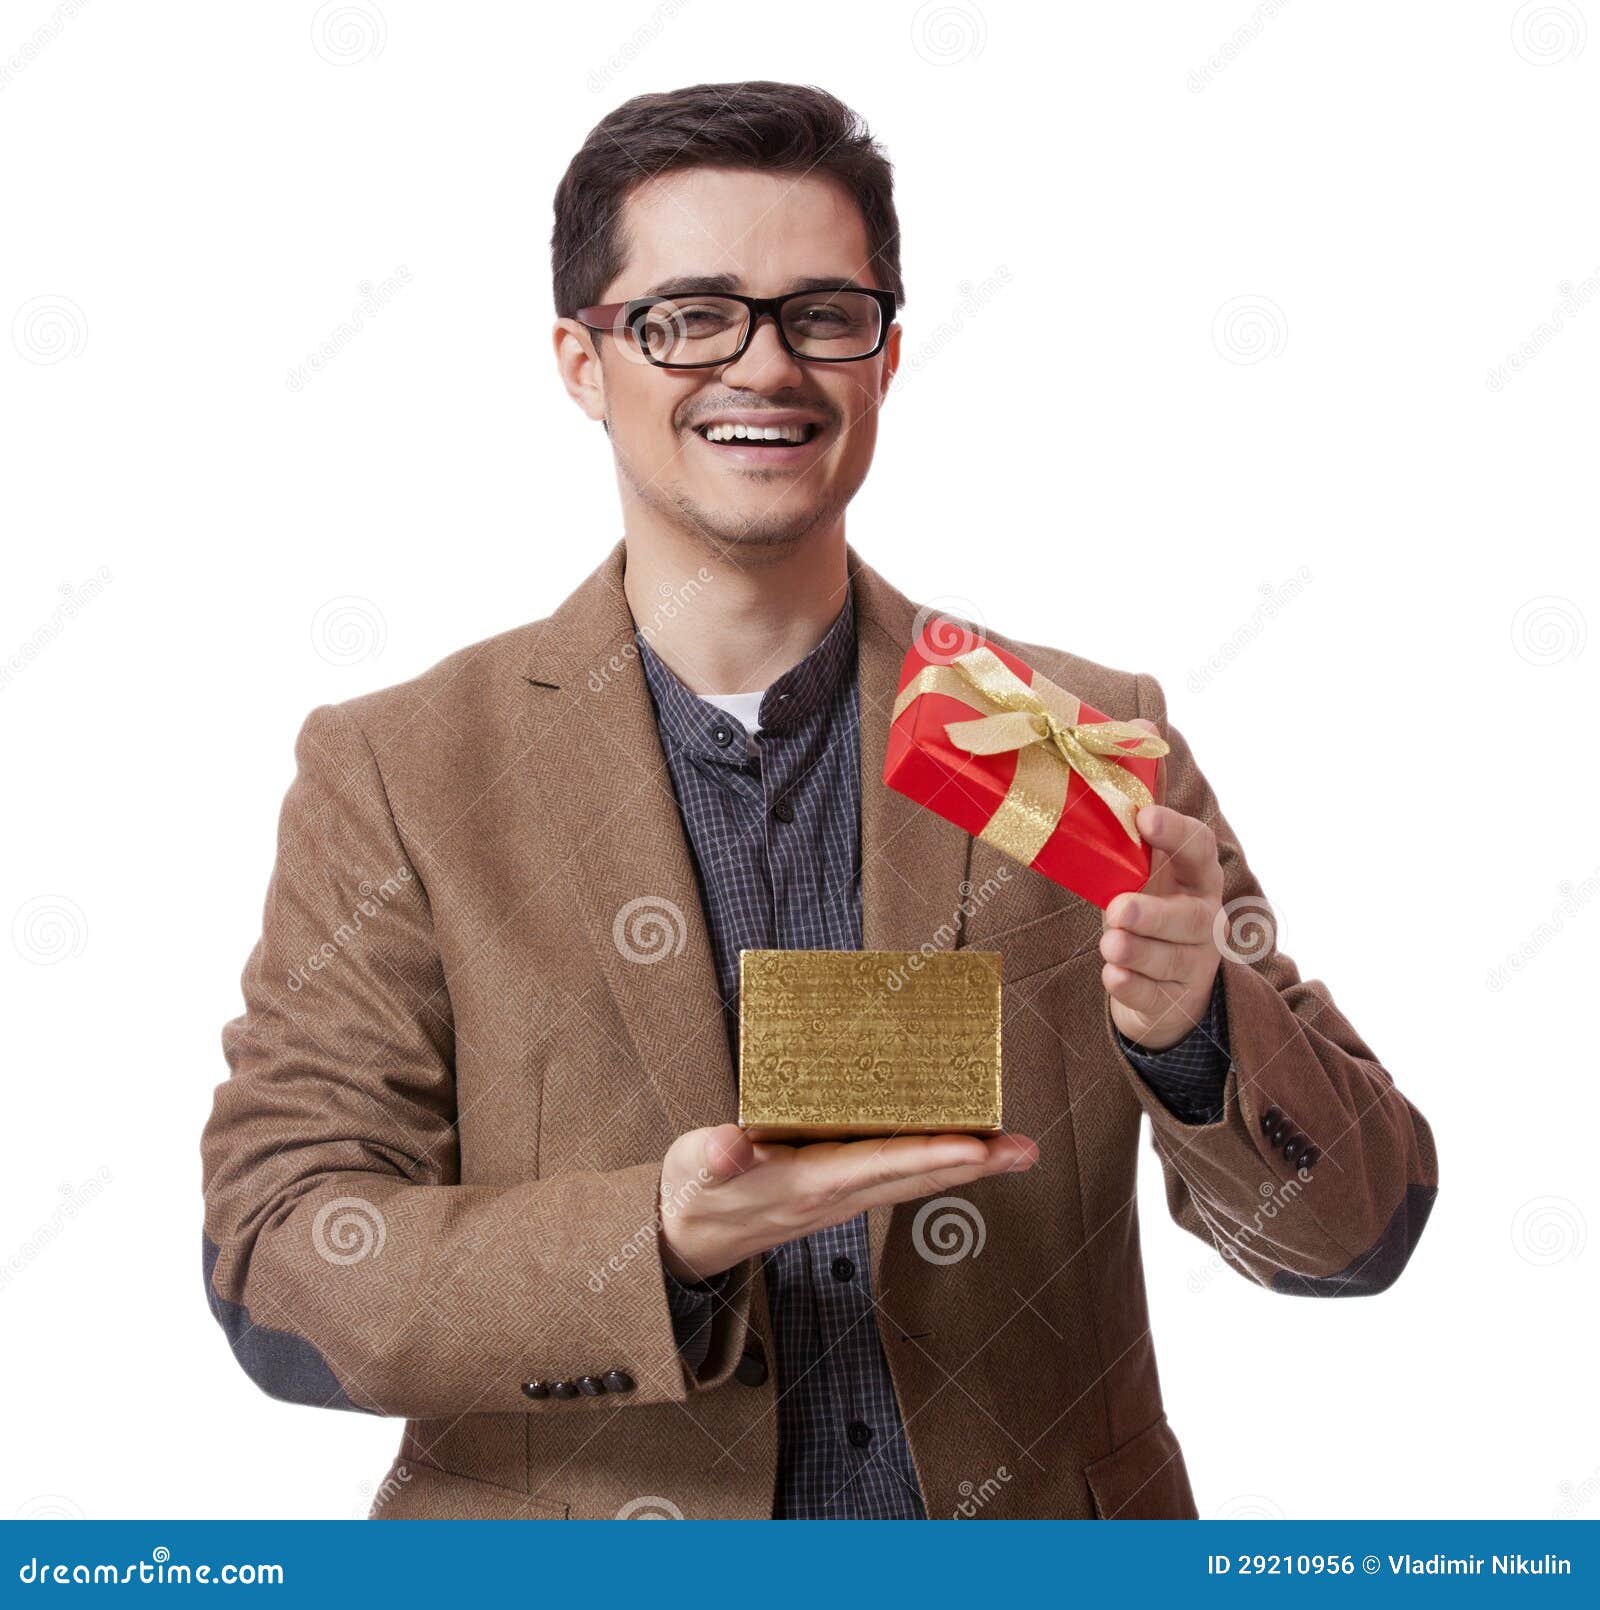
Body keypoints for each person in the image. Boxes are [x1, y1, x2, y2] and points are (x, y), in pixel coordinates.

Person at [200, 81, 1438, 1521]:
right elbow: (280, 1255)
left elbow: (1360, 1229)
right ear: (582, 362)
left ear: (888, 354)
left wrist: (1199, 1030)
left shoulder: (1082, 736)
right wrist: (648, 1239)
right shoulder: (403, 772)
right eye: (688, 317)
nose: (764, 365)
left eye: (823, 312)